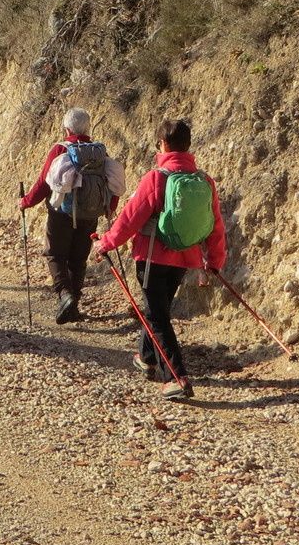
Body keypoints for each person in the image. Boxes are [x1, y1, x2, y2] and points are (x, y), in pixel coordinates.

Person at [92, 116, 227, 400]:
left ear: (163, 145)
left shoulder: (157, 178)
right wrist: (214, 261)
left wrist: (106, 243)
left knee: (157, 316)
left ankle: (177, 376)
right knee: (158, 310)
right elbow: (216, 225)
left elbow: (130, 218)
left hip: (153, 257)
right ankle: (147, 358)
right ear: (188, 146)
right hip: (184, 259)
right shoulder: (204, 181)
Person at [18, 108, 124, 324]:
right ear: (88, 128)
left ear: (67, 129)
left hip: (62, 214)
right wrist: (109, 209)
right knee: (78, 260)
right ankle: (73, 306)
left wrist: (26, 202)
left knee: (55, 254)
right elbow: (112, 185)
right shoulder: (100, 153)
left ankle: (65, 294)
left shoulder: (60, 150)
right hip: (90, 215)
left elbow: (44, 184)